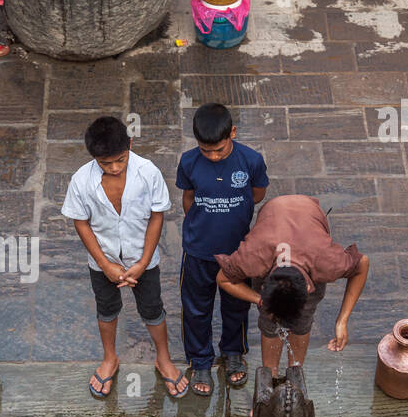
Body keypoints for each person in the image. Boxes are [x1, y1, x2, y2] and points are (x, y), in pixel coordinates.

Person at [62, 116, 188, 399]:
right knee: (106, 310)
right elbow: (81, 223)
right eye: (106, 164)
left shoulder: (148, 172)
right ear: (94, 158)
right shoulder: (81, 181)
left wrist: (143, 263)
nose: (115, 168)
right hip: (102, 262)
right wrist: (106, 265)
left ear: (130, 144)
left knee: (153, 310)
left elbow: (157, 216)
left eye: (120, 160)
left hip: (144, 260)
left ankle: (163, 359)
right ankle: (110, 358)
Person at [215, 195, 370, 371]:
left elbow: (362, 264)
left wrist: (342, 321)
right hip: (274, 213)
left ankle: (295, 370)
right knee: (269, 321)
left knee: (302, 319)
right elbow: (223, 278)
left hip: (308, 215)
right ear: (264, 286)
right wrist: (258, 299)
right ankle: (271, 371)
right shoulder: (254, 257)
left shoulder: (325, 260)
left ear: (309, 287)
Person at [176, 103, 268, 396]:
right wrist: (200, 225)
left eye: (219, 150)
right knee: (195, 309)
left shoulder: (251, 160)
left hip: (237, 253)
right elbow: (188, 198)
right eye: (206, 151)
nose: (213, 156)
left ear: (233, 133)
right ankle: (200, 360)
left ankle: (233, 353)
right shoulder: (188, 162)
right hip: (198, 252)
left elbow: (257, 194)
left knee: (236, 306)